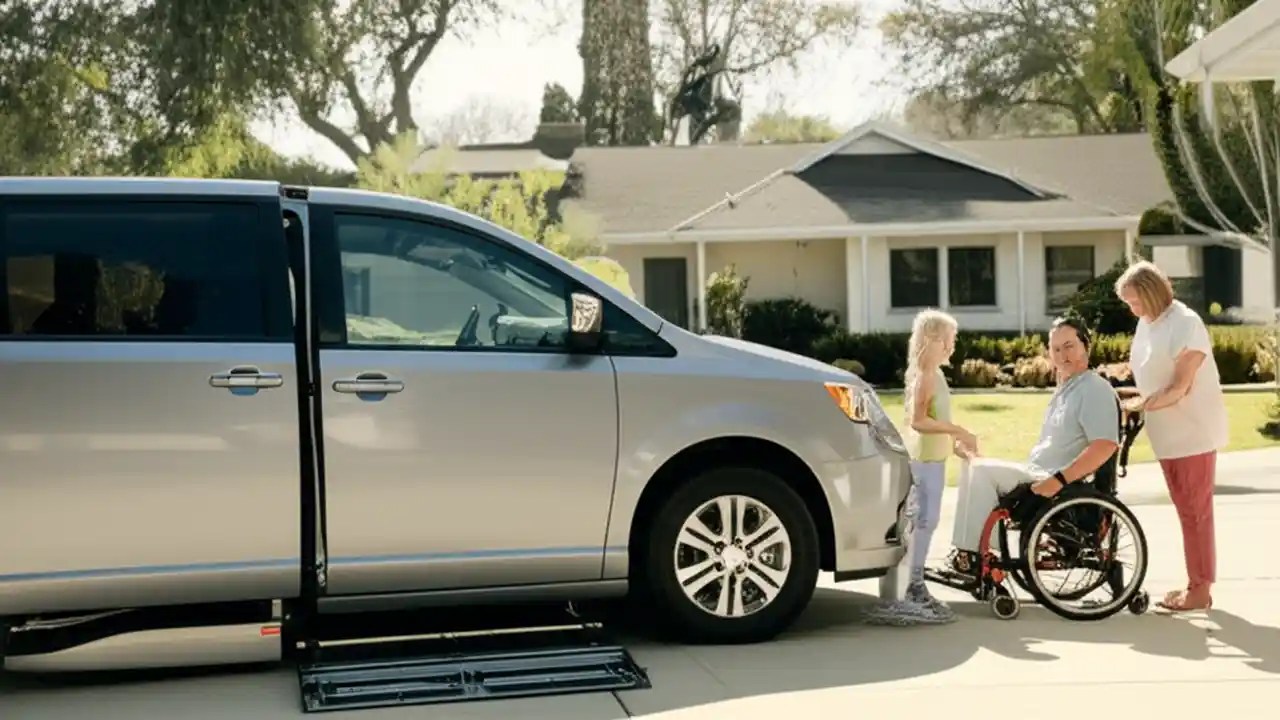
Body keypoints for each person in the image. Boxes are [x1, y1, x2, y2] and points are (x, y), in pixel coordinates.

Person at [946, 316, 1120, 577]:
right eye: (1056, 349)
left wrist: (1058, 480)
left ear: (1086, 345)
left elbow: (1105, 446)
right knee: (974, 466)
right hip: (1037, 472)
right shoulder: (1066, 390)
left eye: (1069, 346)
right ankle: (967, 553)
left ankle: (975, 557)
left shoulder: (1094, 389)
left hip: (1053, 482)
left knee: (980, 470)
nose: (1062, 355)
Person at [1115, 260, 1227, 612]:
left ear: (1151, 293)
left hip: (1192, 432)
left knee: (1196, 513)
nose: (1131, 309)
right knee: (1186, 512)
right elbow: (1149, 373)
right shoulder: (1148, 323)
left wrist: (1138, 406)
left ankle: (1199, 591)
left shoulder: (1186, 324)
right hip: (1166, 434)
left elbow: (1180, 386)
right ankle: (1196, 585)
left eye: (1134, 301)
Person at [864, 309, 978, 625]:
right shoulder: (925, 376)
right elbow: (918, 421)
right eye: (949, 340)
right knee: (923, 523)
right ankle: (913, 586)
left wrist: (955, 443)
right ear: (934, 340)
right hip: (925, 463)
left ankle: (915, 584)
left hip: (935, 459)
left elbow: (937, 420)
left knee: (927, 521)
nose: (952, 346)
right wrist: (959, 432)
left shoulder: (936, 375)